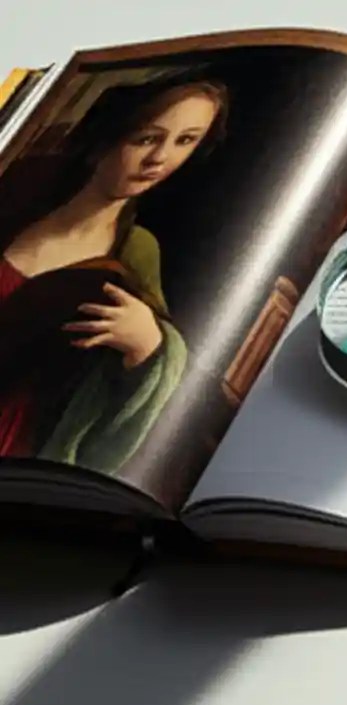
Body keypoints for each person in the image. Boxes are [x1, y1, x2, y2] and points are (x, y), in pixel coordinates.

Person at [0, 72, 229, 476]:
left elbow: (156, 374)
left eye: (185, 140)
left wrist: (148, 345)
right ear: (110, 132)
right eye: (146, 138)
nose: (160, 159)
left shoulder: (137, 250)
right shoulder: (21, 189)